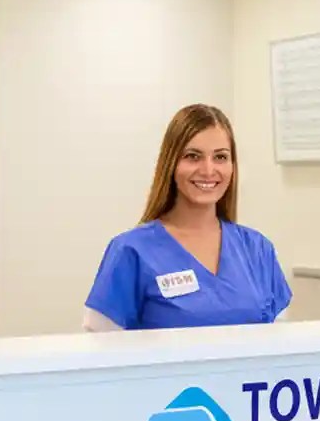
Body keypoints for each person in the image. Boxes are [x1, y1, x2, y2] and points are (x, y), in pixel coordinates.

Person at [83, 103, 292, 332]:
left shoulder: (257, 250)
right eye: (193, 156)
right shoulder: (131, 251)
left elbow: (278, 346)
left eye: (220, 157)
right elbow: (101, 347)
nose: (208, 170)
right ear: (171, 163)